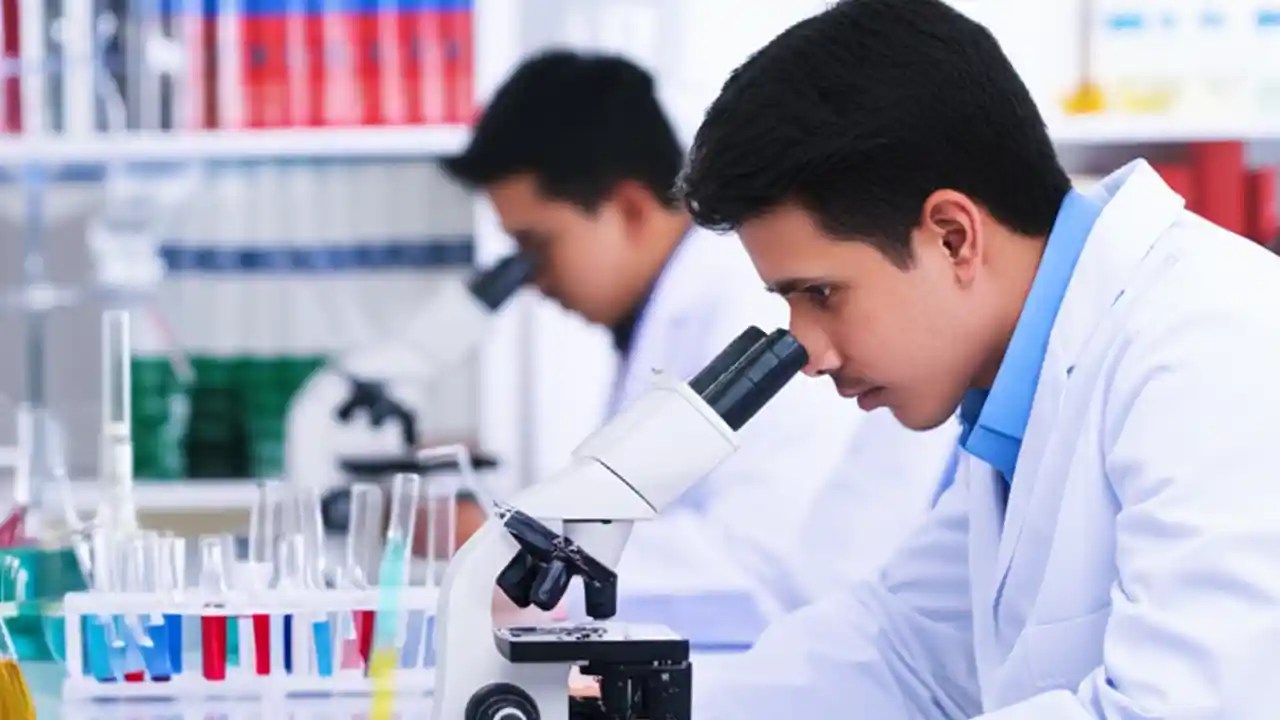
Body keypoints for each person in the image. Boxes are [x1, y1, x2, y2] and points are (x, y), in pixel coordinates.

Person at [678, 0, 1280, 717]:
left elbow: (1180, 709)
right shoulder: (1015, 405)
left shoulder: (1210, 343)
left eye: (821, 292)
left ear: (953, 237)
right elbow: (904, 651)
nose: (807, 350)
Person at [428, 50, 959, 635]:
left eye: (539, 245)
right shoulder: (664, 311)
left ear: (629, 207)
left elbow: (756, 556)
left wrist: (521, 552)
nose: (532, 279)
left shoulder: (755, 304)